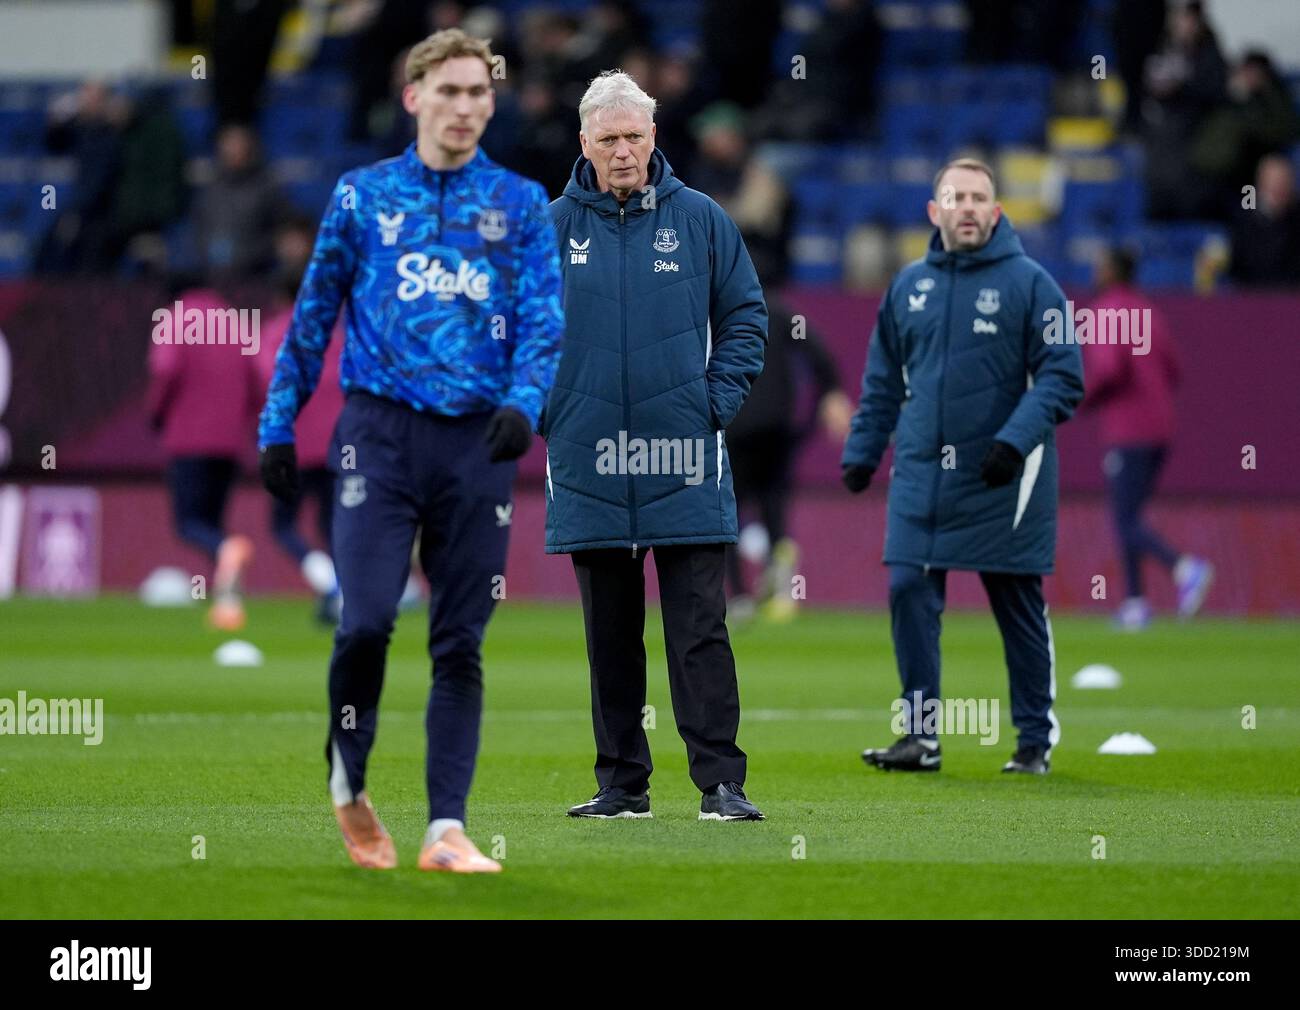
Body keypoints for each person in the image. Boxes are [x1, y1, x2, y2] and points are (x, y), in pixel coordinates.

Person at [257, 29, 564, 873]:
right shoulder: (363, 197)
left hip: (477, 446)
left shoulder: (523, 203)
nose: (466, 107)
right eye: (450, 91)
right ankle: (348, 785)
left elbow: (543, 320)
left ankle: (445, 831)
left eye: (479, 93)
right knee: (364, 622)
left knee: (460, 642)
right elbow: (312, 315)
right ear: (413, 97)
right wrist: (277, 424)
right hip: (378, 440)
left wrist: (523, 404)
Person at [543, 71, 768, 821]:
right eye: (607, 139)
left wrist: (714, 403)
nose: (622, 151)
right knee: (610, 636)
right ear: (584, 144)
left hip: (685, 458)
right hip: (589, 460)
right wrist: (552, 411)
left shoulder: (703, 220)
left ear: (653, 138)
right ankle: (622, 786)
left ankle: (721, 785)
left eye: (633, 137)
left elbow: (746, 316)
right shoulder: (548, 229)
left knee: (700, 629)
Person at [843, 158, 1084, 776]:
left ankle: (1034, 740)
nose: (969, 208)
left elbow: (1064, 374)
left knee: (1016, 604)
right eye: (957, 197)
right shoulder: (909, 285)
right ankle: (921, 737)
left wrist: (1014, 440)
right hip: (922, 473)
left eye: (980, 198)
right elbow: (881, 381)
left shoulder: (1033, 285)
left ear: (997, 211)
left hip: (1005, 475)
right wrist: (863, 451)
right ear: (935, 211)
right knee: (906, 589)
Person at [1082, 248, 1213, 629]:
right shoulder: (1147, 310)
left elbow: (1108, 370)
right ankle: (1135, 603)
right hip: (1160, 427)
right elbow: (1174, 368)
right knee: (1130, 515)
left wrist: (1078, 399)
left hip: (1128, 428)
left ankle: (1185, 568)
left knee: (1124, 518)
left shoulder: (1106, 311)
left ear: (1110, 271)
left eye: (1099, 265)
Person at [147, 284, 261, 631]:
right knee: (213, 521)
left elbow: (165, 370)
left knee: (190, 524)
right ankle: (227, 603)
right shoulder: (236, 321)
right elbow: (259, 380)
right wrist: (240, 418)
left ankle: (227, 554)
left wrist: (156, 412)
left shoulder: (176, 318)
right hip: (229, 443)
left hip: (188, 439)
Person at [255, 217, 344, 624]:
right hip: (339, 444)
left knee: (284, 525)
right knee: (333, 525)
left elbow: (267, 382)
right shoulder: (336, 328)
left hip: (293, 444)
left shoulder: (276, 331)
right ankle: (344, 589)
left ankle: (328, 585)